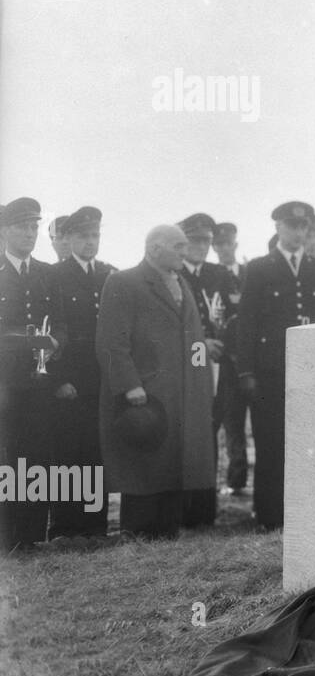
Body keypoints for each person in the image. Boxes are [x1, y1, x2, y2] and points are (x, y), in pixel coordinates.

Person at [97, 224, 215, 539]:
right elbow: (111, 343)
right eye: (177, 246)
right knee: (145, 465)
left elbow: (196, 341)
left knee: (175, 464)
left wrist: (201, 380)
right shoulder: (123, 282)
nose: (184, 252)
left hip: (183, 397)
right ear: (154, 248)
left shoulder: (182, 284)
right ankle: (137, 533)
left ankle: (167, 532)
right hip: (146, 397)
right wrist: (129, 384)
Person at [236, 202, 315, 530]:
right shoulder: (259, 267)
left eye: (303, 227)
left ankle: (304, 513)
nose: (298, 233)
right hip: (269, 371)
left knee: (307, 443)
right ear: (278, 227)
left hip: (308, 371)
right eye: (291, 226)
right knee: (269, 442)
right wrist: (246, 371)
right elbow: (246, 321)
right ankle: (268, 515)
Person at [0, 198, 66, 549]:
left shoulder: (47, 273)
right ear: (4, 230)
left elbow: (62, 325)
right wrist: (24, 342)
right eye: (21, 227)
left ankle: (32, 537)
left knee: (38, 456)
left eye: (33, 227)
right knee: (7, 458)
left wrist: (55, 345)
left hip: (40, 382)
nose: (29, 233)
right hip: (4, 383)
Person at [48, 205, 115, 538]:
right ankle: (65, 525)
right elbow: (53, 332)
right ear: (69, 238)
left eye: (95, 235)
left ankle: (95, 524)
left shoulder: (109, 274)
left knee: (97, 450)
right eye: (83, 236)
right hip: (71, 379)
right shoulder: (55, 276)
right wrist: (59, 378)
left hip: (102, 378)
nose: (91, 242)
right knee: (67, 451)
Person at [178, 212, 241, 527]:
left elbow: (235, 316)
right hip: (189, 364)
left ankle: (206, 508)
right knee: (190, 433)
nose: (201, 246)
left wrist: (221, 341)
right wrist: (202, 345)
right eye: (194, 240)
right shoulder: (173, 274)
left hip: (218, 363)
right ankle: (186, 508)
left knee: (211, 430)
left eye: (205, 240)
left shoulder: (219, 273)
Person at [213, 221, 250, 493]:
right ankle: (235, 480)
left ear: (235, 245)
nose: (226, 249)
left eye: (229, 244)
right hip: (224, 362)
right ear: (215, 248)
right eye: (220, 245)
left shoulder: (249, 273)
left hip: (250, 360)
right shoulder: (213, 277)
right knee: (232, 421)